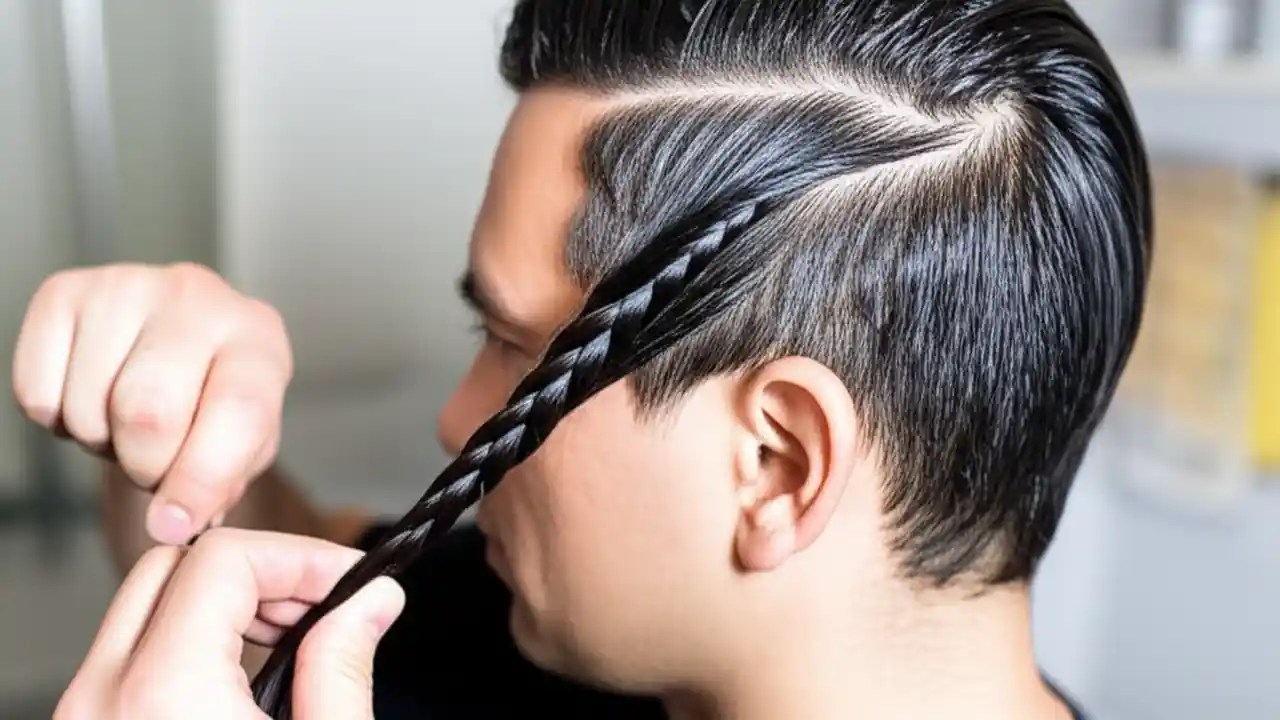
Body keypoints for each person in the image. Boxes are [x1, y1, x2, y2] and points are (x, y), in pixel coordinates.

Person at [13, 0, 1149, 717]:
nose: (457, 421)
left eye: (509, 346)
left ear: (774, 463)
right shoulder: (517, 623)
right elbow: (276, 574)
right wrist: (177, 418)